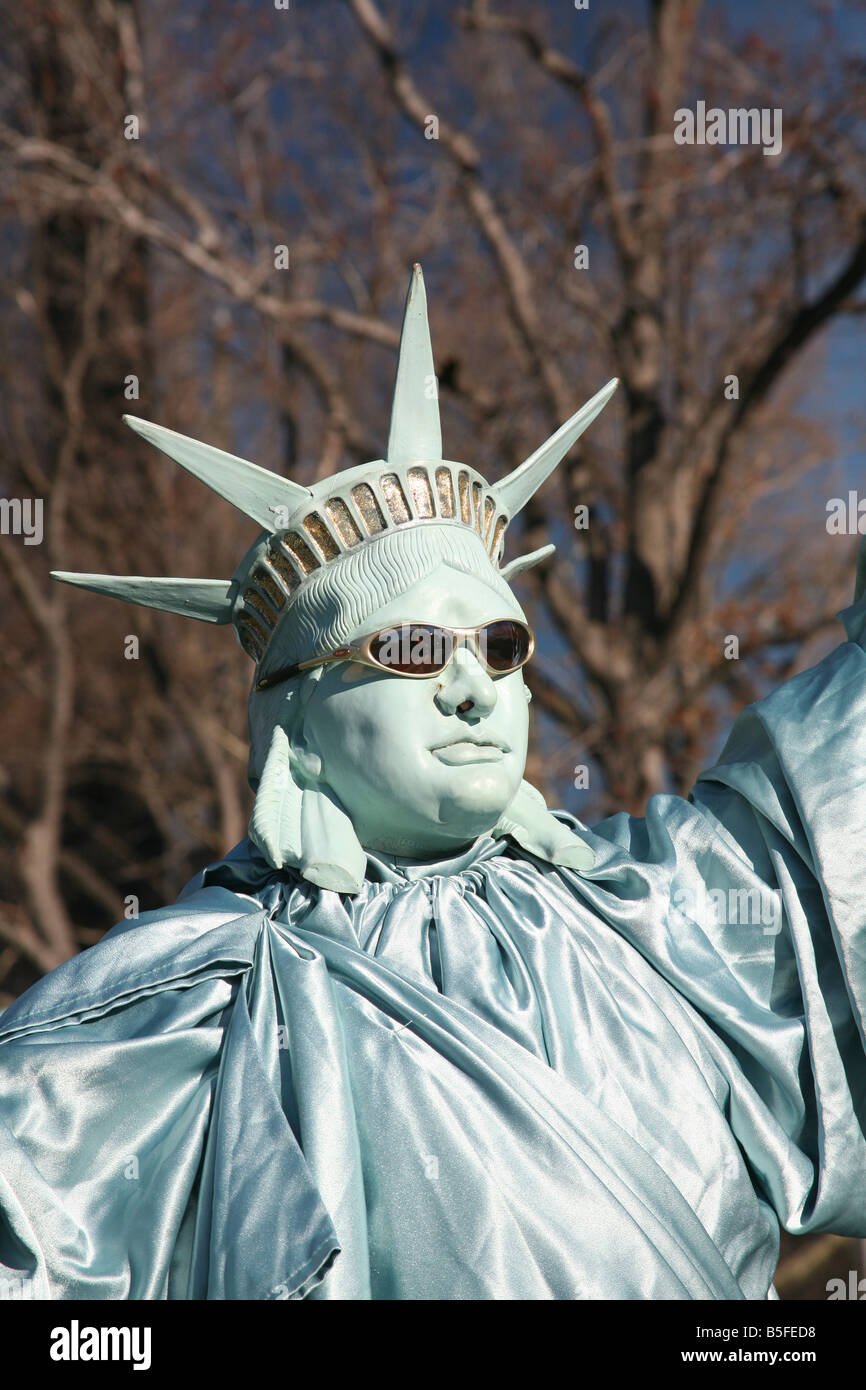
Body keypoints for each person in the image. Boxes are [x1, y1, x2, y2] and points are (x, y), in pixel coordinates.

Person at [0, 267, 863, 1301]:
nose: (472, 687)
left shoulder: (665, 921)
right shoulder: (169, 1014)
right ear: (293, 718)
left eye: (501, 644)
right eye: (409, 645)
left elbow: (828, 821)